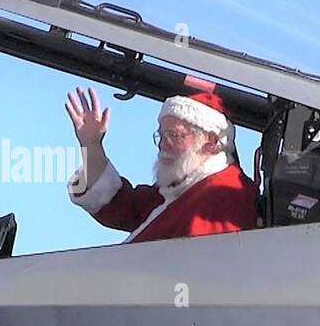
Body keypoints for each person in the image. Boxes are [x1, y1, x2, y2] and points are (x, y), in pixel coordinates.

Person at [65, 87, 259, 242]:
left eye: (174, 135)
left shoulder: (222, 196)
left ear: (211, 141)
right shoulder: (183, 187)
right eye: (161, 135)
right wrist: (91, 145)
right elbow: (122, 206)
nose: (163, 144)